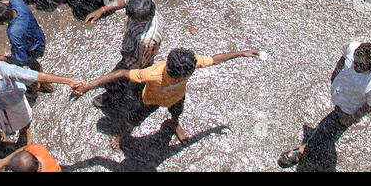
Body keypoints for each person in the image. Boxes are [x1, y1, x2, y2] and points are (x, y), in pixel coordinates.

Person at [73, 46, 260, 150]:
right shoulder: (153, 73)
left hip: (177, 97)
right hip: (150, 101)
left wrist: (240, 53)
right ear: (176, 74)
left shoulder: (190, 63)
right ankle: (121, 135)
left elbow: (214, 59)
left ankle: (174, 123)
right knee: (133, 120)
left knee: (177, 111)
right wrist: (91, 84)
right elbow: (122, 73)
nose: (194, 70)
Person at [277, 41, 371, 168]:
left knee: (326, 129)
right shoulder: (352, 47)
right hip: (339, 95)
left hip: (349, 109)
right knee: (330, 131)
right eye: (355, 62)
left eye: (361, 67)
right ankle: (321, 143)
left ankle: (304, 150)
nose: (356, 67)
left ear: (370, 68)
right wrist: (336, 72)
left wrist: (351, 118)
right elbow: (344, 56)